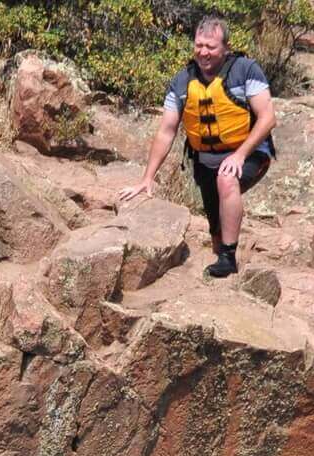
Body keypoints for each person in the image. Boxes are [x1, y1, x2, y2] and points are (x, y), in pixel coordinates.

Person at [119, 14, 275, 280]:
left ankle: (229, 259)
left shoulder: (246, 69)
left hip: (249, 154)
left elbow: (268, 118)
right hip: (205, 162)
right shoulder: (181, 81)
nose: (204, 52)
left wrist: (239, 155)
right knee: (216, 234)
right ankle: (222, 258)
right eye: (199, 45)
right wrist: (147, 179)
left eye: (211, 47)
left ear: (225, 47)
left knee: (227, 180)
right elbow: (166, 131)